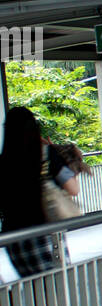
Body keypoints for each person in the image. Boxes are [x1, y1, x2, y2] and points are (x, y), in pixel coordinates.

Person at [0, 106, 80, 277]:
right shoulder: (47, 155)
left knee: (35, 294)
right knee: (57, 292)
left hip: (13, 241)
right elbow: (73, 189)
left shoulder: (3, 162)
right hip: (45, 235)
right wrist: (59, 157)